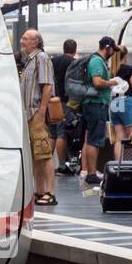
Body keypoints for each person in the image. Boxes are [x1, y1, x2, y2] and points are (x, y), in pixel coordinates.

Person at [19, 29, 56, 206]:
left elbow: (47, 86)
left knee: (45, 152)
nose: (22, 41)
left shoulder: (42, 58)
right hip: (29, 114)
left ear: (36, 42)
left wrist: (41, 112)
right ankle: (39, 191)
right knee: (36, 154)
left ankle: (50, 192)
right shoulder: (29, 61)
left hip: (35, 113)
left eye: (25, 39)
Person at [81, 37, 121, 186]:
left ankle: (91, 171)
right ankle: (91, 173)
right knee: (94, 139)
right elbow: (97, 82)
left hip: (96, 104)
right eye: (112, 50)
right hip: (95, 104)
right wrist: (112, 82)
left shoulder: (98, 60)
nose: (112, 53)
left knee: (93, 138)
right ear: (107, 47)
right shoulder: (97, 61)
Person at [109, 44, 132, 160]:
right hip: (127, 102)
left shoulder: (111, 70)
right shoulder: (128, 70)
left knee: (119, 138)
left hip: (114, 103)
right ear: (126, 56)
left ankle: (119, 166)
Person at [52, 39, 78, 175]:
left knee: (53, 133)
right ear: (75, 50)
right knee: (61, 133)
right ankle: (62, 166)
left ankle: (47, 164)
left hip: (52, 101)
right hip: (65, 101)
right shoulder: (73, 63)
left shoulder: (53, 61)